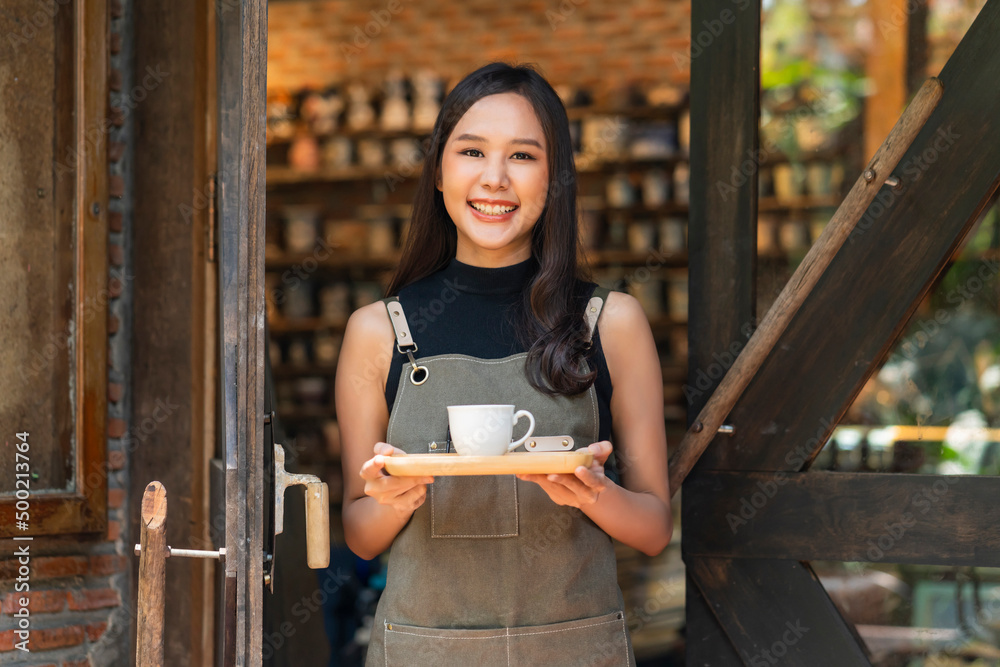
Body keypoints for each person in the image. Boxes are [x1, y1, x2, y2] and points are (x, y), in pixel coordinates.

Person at [336, 61, 673, 667]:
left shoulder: (610, 322)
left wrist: (592, 494)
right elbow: (360, 534)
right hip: (425, 650)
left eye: (522, 156)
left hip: (572, 649)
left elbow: (652, 529)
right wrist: (394, 499)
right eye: (471, 152)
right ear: (439, 172)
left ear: (555, 179)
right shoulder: (378, 332)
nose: (494, 179)